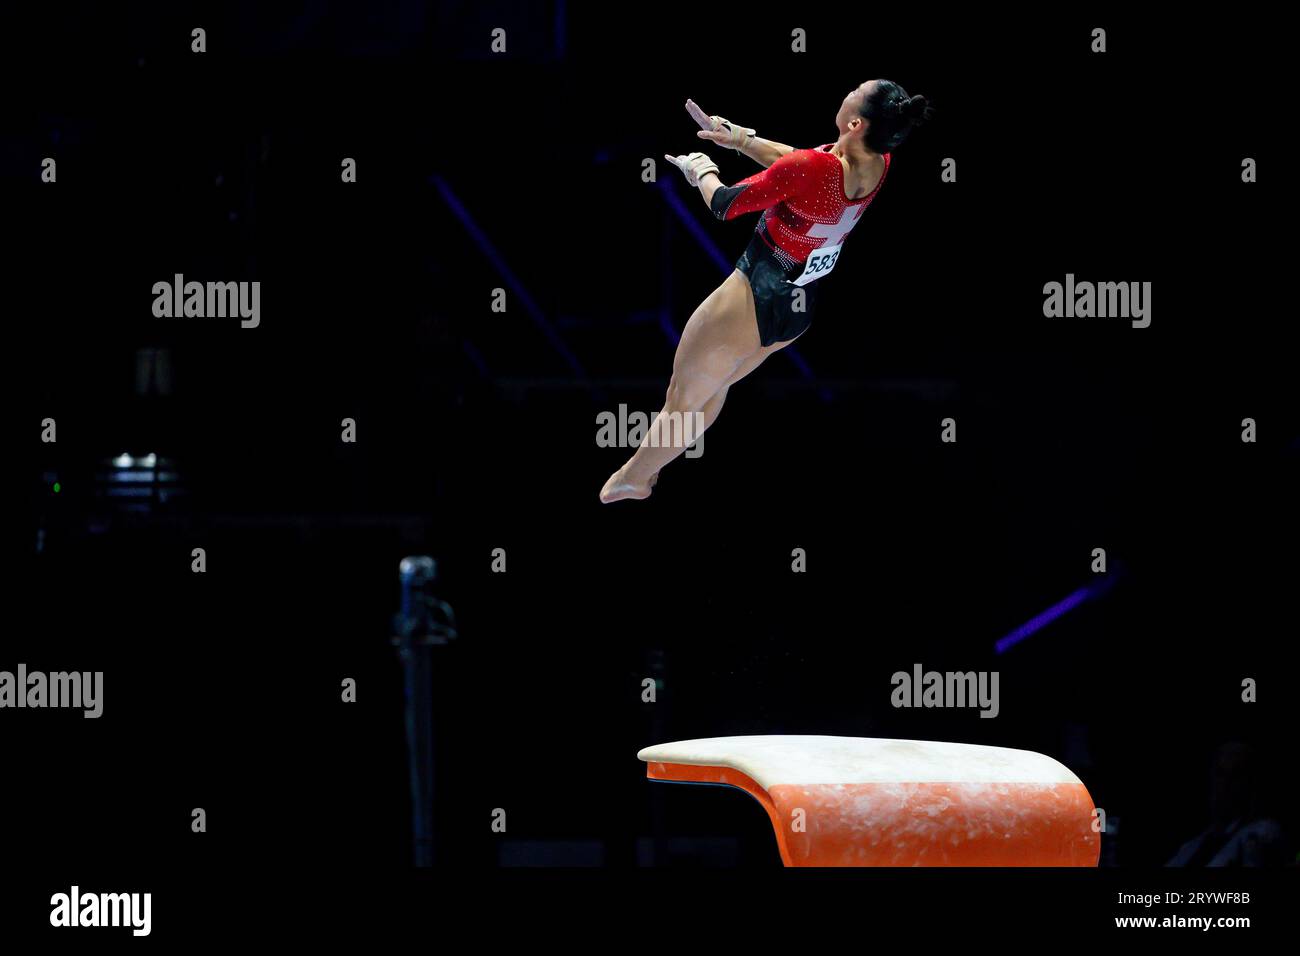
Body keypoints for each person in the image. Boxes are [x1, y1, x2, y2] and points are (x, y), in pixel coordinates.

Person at [600, 80, 932, 503]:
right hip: (797, 307)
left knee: (682, 397)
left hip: (756, 291)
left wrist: (700, 169)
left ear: (854, 121)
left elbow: (725, 203)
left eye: (855, 89)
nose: (848, 89)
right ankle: (643, 475)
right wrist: (738, 138)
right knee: (713, 390)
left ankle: (636, 477)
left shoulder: (816, 169)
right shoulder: (879, 162)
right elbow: (798, 165)